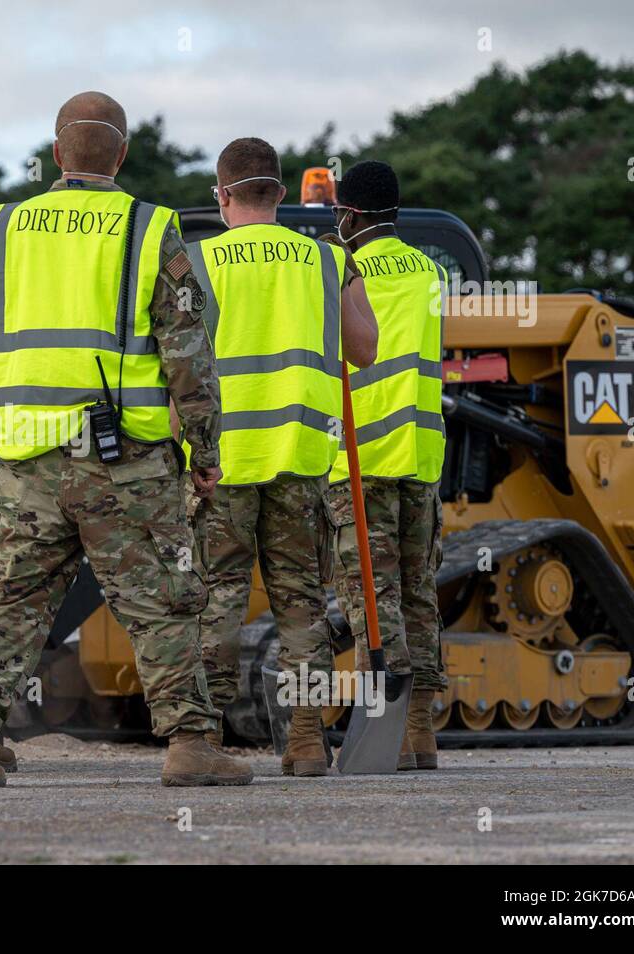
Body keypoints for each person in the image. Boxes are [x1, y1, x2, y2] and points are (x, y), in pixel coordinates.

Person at [0, 91, 250, 788]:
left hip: (23, 459)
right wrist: (204, 450)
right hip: (125, 464)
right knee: (162, 601)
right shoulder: (148, 228)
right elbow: (188, 355)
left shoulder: (3, 230)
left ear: (56, 153)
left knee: (6, 599)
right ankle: (191, 744)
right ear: (123, 154)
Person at [188, 138, 378, 777]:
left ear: (223, 197)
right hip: (300, 457)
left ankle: (206, 742)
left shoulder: (196, 261)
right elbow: (366, 349)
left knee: (217, 599)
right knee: (300, 603)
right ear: (277, 194)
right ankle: (304, 740)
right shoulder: (326, 260)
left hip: (219, 465)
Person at [328, 159, 448, 770]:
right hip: (421, 455)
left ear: (349, 215)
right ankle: (421, 732)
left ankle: (392, 728)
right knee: (419, 590)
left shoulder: (342, 269)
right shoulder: (429, 270)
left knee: (372, 595)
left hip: (362, 455)